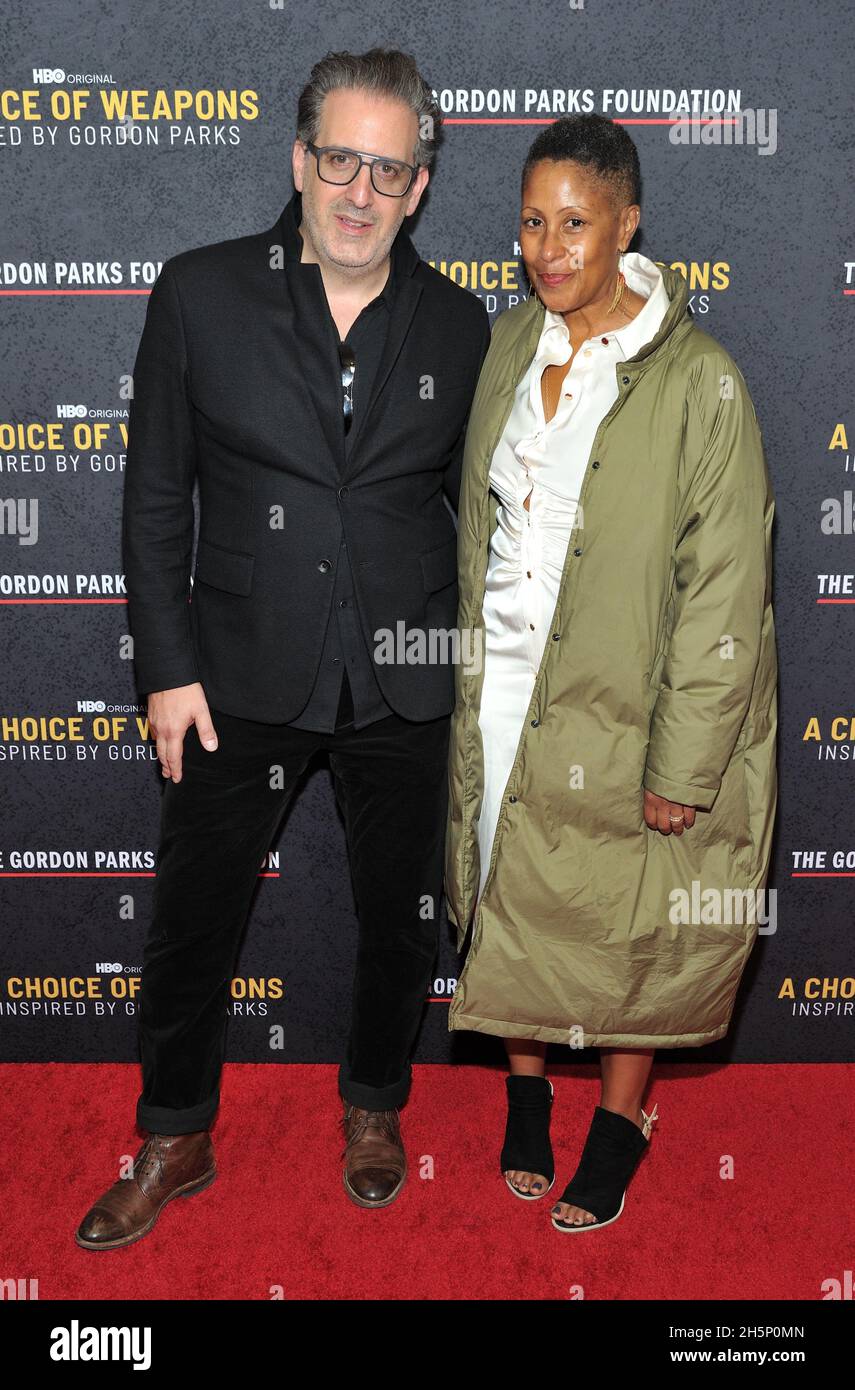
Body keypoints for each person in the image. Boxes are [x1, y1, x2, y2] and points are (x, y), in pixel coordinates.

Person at [75, 47, 491, 1250]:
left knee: (399, 918)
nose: (362, 191)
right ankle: (175, 1133)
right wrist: (164, 662)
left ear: (420, 188)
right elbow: (157, 495)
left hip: (406, 672)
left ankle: (373, 1103)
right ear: (300, 160)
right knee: (195, 916)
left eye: (391, 169)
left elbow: (490, 510)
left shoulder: (464, 326)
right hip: (231, 672)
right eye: (341, 160)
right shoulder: (200, 293)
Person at [444, 114, 777, 1233]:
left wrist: (685, 762)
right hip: (504, 688)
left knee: (635, 923)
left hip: (632, 708)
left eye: (575, 223)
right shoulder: (507, 342)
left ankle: (620, 1118)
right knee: (510, 889)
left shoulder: (700, 382)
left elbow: (726, 589)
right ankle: (529, 1089)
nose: (548, 248)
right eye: (532, 223)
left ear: (627, 222)